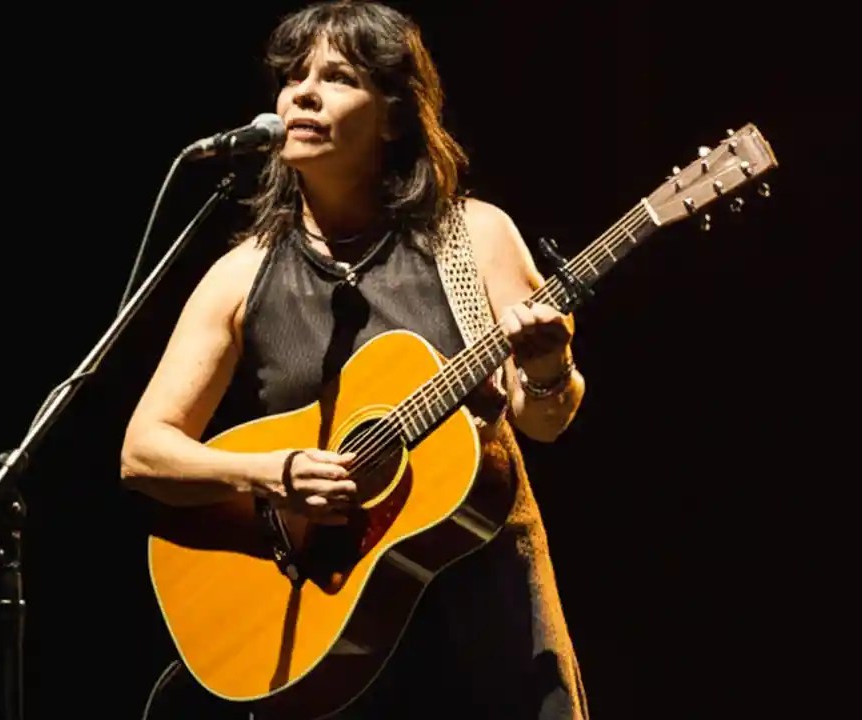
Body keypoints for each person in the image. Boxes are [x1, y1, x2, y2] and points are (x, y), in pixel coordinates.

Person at [120, 1, 589, 717]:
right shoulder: (241, 275)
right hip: (324, 626)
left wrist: (549, 366)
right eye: (293, 76)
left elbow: (543, 424)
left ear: (396, 116)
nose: (302, 93)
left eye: (337, 77)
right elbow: (145, 453)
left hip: (485, 611)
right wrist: (270, 474)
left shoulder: (474, 237)